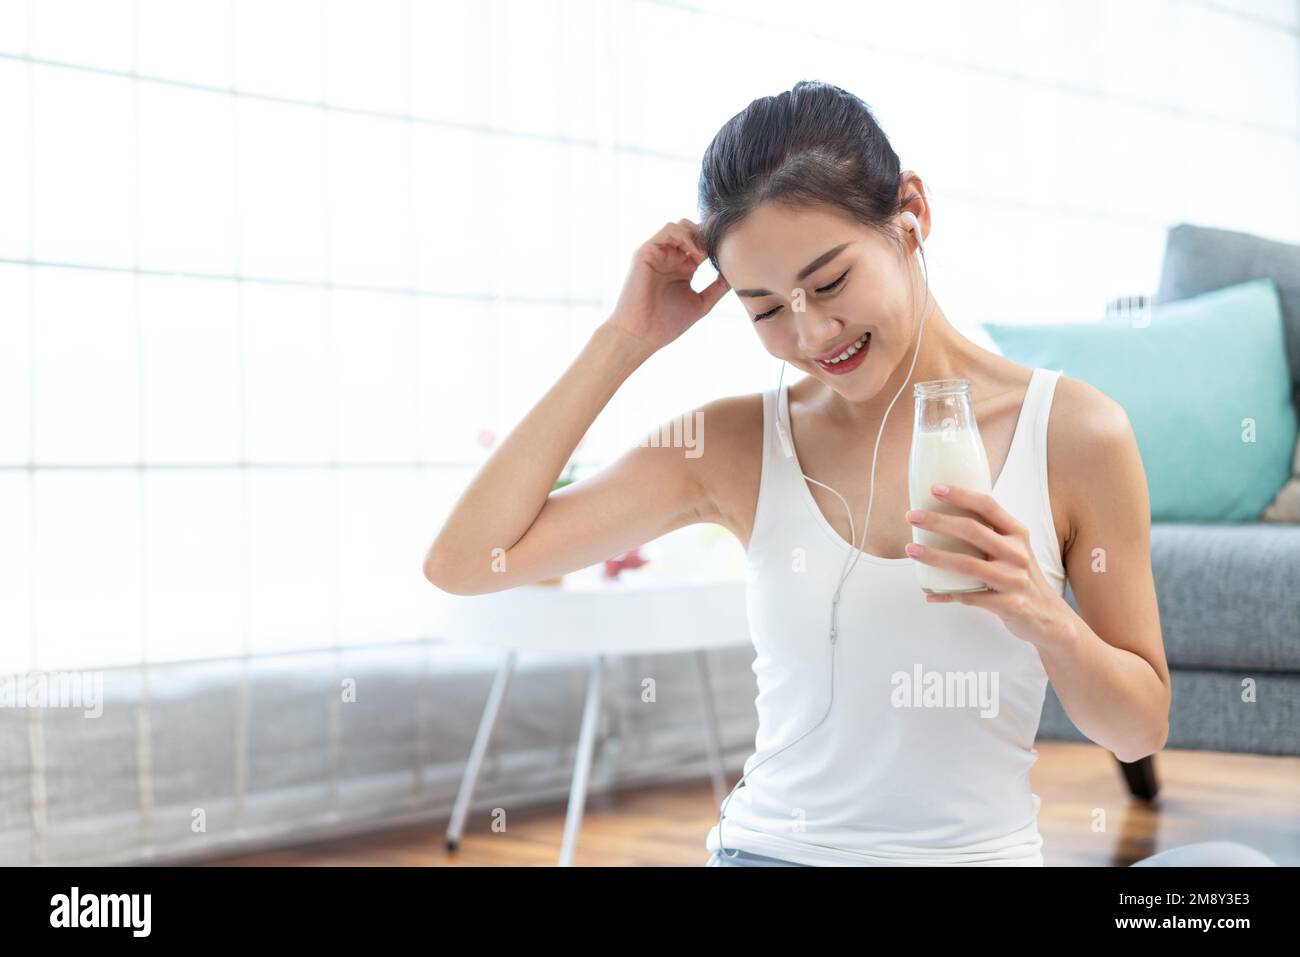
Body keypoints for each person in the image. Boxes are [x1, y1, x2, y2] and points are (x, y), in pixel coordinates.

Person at [423, 79, 1276, 868]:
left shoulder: (1077, 432)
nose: (811, 330)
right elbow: (464, 563)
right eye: (764, 308)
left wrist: (1044, 613)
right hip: (772, 854)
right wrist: (625, 340)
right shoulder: (733, 444)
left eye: (829, 279)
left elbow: (1137, 728)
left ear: (911, 214)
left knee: (1227, 882)